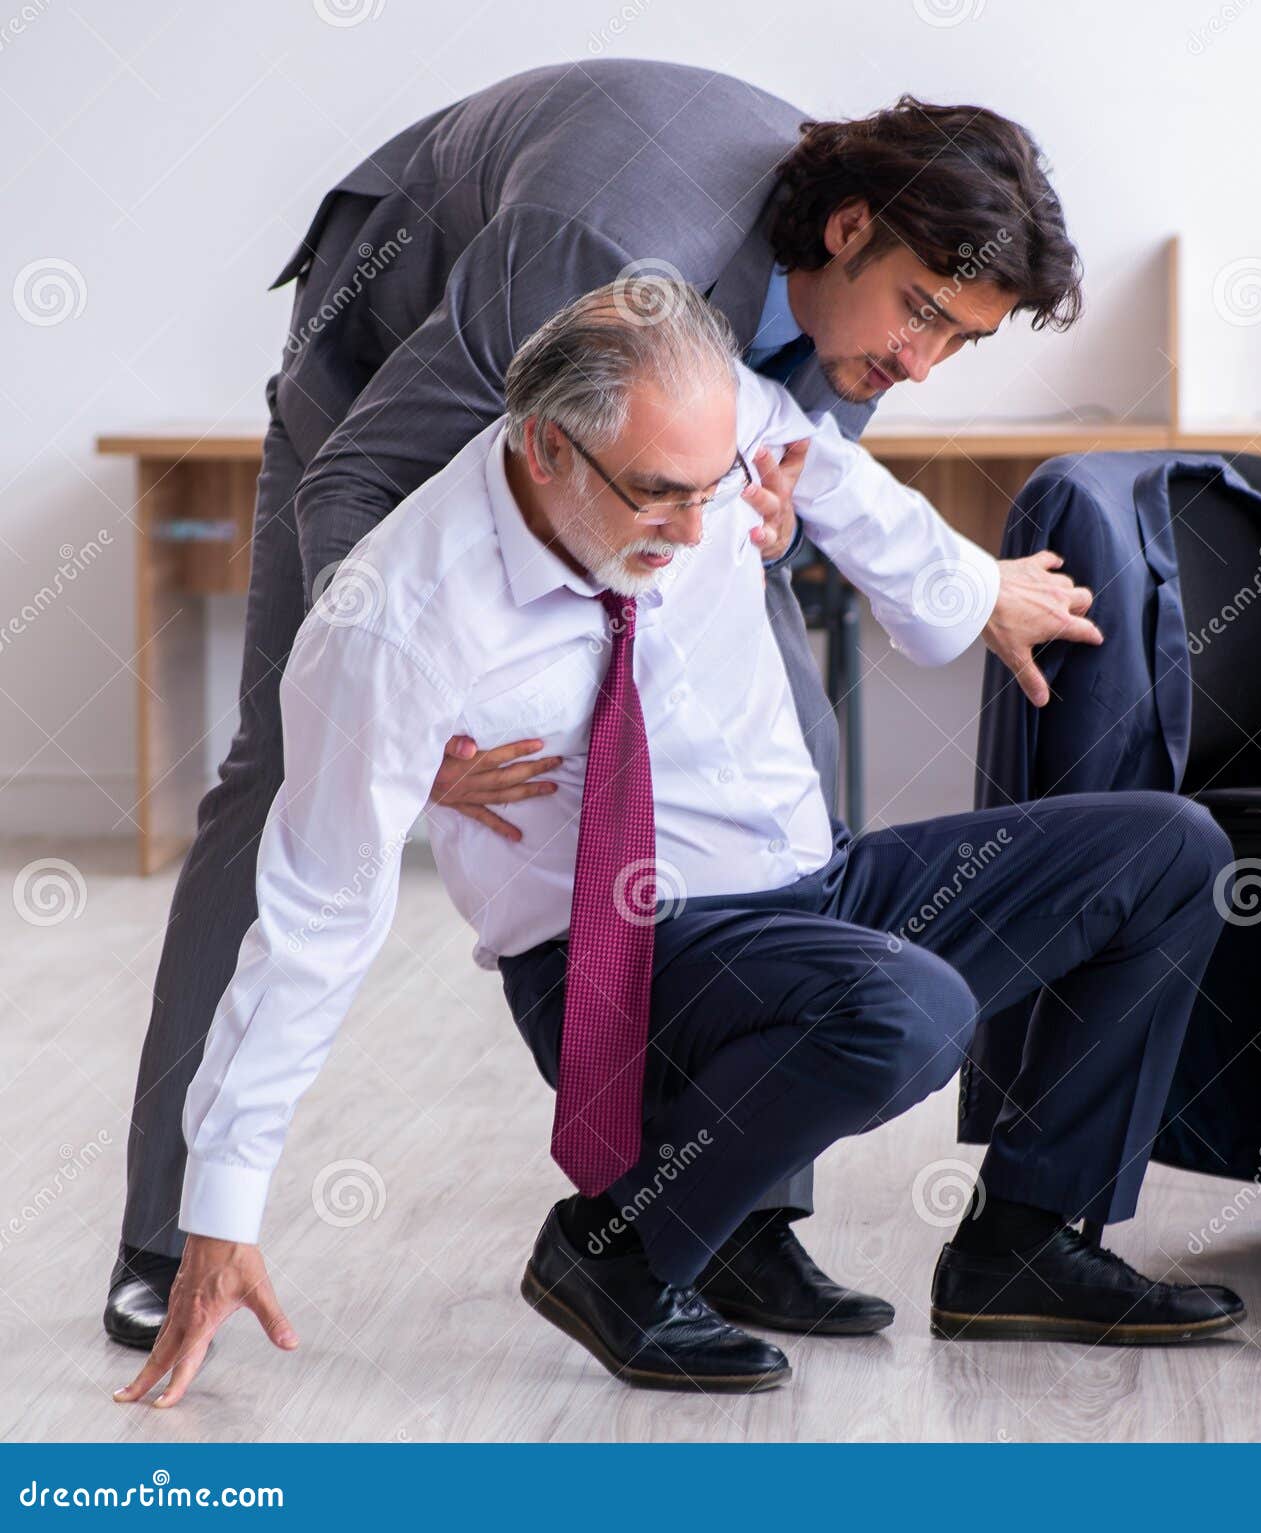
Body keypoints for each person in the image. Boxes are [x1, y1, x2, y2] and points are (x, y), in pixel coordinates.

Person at [107, 59, 1097, 1349]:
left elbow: (791, 455)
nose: (922, 361)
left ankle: (725, 1215)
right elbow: (361, 473)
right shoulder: (608, 249)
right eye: (919, 314)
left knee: (794, 715)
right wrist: (396, 725)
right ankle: (173, 1228)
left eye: (956, 338)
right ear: (849, 230)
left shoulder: (840, 280)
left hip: (622, 367)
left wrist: (953, 584)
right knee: (288, 771)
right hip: (390, 367)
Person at [114, 283, 1243, 1408]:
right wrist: (219, 1206)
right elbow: (318, 910)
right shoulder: (394, 619)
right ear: (546, 446)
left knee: (1169, 851)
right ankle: (616, 1251)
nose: (697, 533)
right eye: (658, 497)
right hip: (627, 963)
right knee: (909, 1009)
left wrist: (959, 584)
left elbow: (828, 471)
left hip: (818, 891)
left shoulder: (711, 445)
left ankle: (1025, 1244)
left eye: (709, 491)